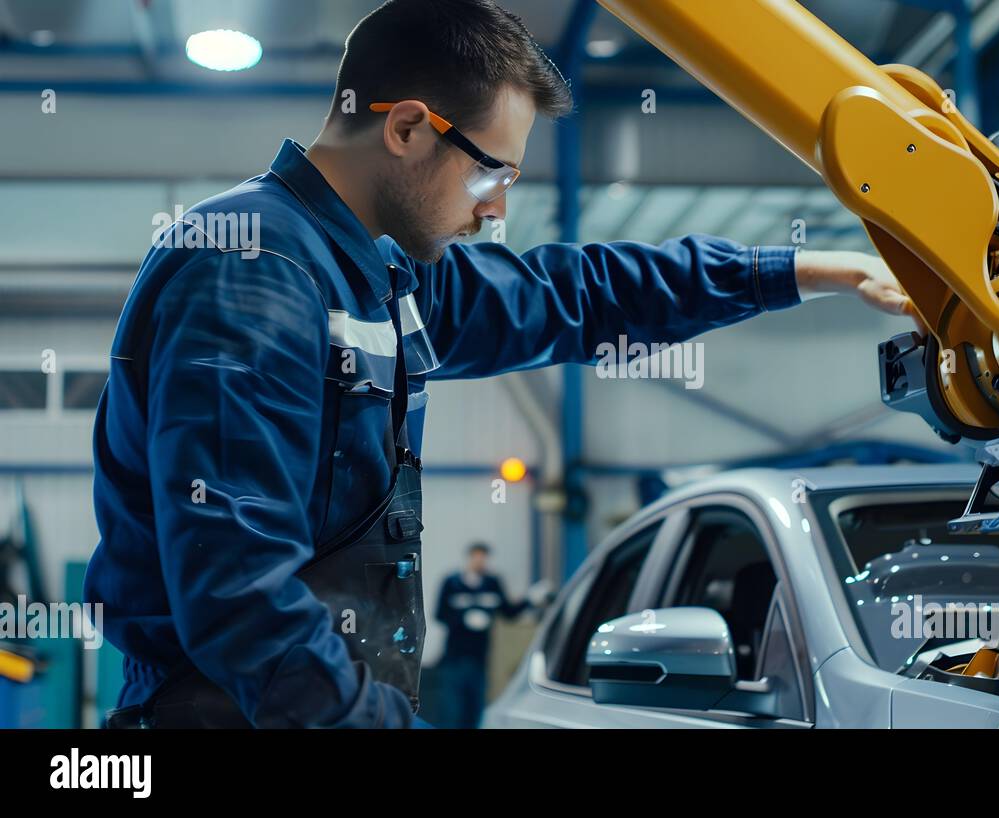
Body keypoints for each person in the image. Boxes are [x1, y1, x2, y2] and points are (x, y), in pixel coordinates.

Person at [86, 0, 917, 728]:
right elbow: (240, 599)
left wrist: (809, 272)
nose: (499, 211)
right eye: (495, 172)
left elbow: (579, 294)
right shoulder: (255, 273)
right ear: (407, 127)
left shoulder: (380, 278)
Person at [434, 543, 548, 728]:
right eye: (476, 557)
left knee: (475, 707)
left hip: (480, 656)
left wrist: (530, 599)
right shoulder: (452, 583)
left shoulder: (492, 583)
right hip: (454, 657)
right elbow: (439, 614)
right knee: (453, 708)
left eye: (483, 558)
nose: (480, 561)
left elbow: (509, 612)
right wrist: (463, 619)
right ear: (469, 558)